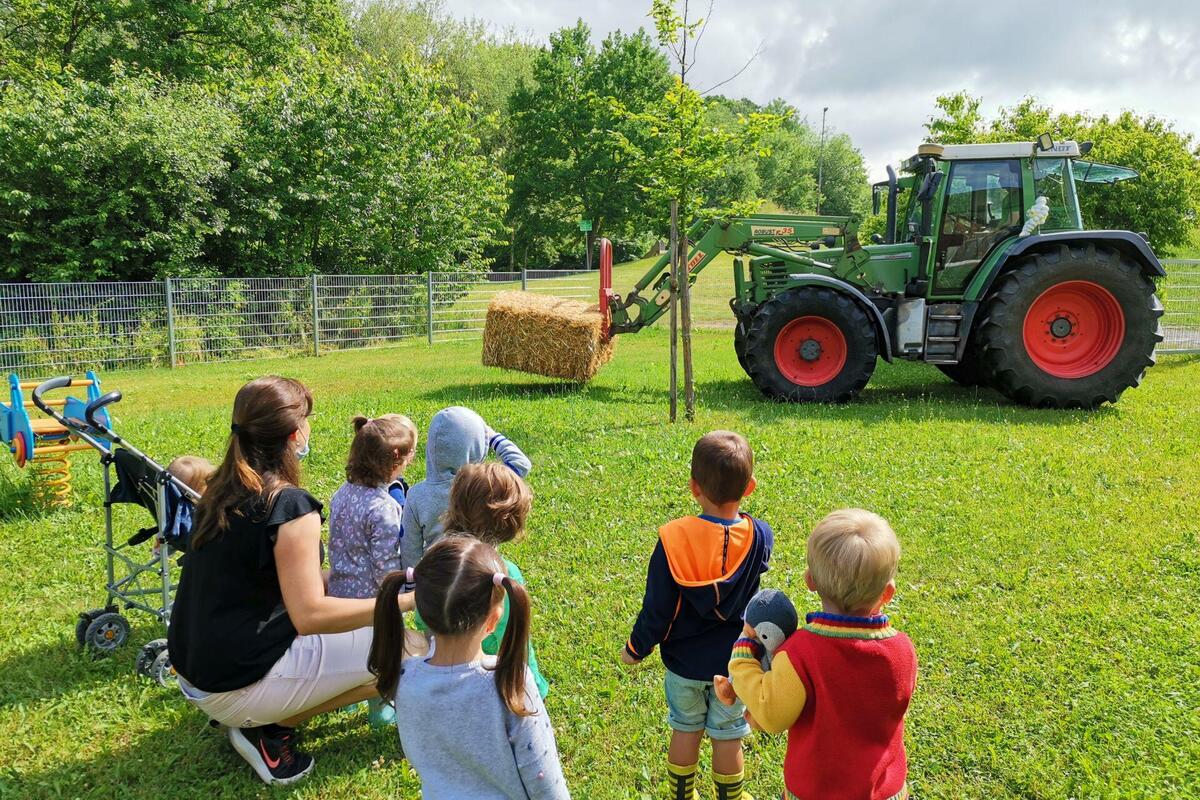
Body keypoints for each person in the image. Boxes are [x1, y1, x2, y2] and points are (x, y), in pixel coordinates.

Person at [167, 376, 419, 786]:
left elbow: (268, 578)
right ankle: (266, 727)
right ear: (295, 434)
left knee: (386, 647)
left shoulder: (220, 488)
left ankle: (262, 715)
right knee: (411, 653)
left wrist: (339, 576)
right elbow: (310, 615)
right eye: (308, 421)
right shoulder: (289, 505)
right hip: (235, 682)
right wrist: (405, 602)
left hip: (198, 671)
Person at [620, 431, 773, 800]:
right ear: (749, 487)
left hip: (683, 665)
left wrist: (635, 648)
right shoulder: (761, 536)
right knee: (728, 734)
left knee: (685, 729)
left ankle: (682, 794)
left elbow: (658, 609)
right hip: (736, 664)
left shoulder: (674, 540)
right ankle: (730, 797)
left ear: (693, 487)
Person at [725, 509, 917, 800]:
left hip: (816, 791)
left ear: (810, 580)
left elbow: (773, 716)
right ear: (887, 592)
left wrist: (742, 659)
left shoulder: (801, 652)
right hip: (885, 792)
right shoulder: (903, 650)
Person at [369, 536, 570, 800]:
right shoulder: (511, 683)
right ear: (493, 621)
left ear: (422, 611)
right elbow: (545, 781)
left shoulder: (404, 680)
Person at [326, 413, 418, 726]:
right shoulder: (384, 508)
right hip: (371, 603)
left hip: (340, 594)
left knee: (347, 655)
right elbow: (386, 567)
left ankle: (343, 702)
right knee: (380, 657)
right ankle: (381, 710)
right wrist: (404, 594)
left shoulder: (342, 493)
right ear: (396, 460)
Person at [438, 461, 549, 697]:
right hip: (501, 684)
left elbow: (423, 621)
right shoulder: (504, 575)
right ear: (510, 522)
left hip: (447, 681)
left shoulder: (435, 564)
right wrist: (532, 687)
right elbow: (513, 639)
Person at [400, 406, 530, 576]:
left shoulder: (416, 495)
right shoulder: (484, 486)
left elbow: (409, 550)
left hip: (435, 579)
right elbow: (521, 464)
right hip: (482, 571)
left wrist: (412, 589)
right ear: (476, 444)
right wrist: (489, 435)